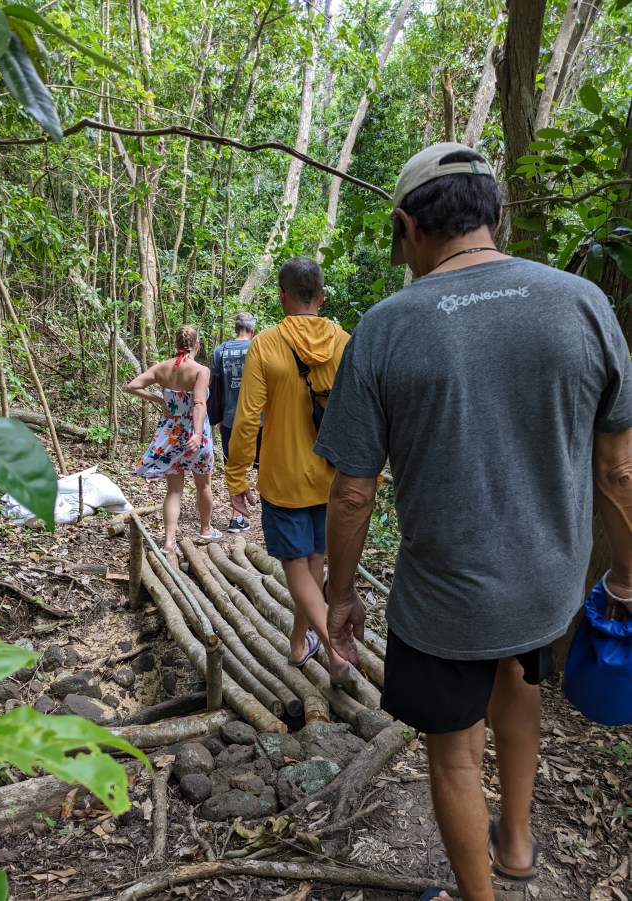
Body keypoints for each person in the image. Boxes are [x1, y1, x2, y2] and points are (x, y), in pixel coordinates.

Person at [314, 143, 632, 901]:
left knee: (454, 752)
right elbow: (618, 467)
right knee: (519, 680)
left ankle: (478, 897)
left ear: (408, 225)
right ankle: (517, 846)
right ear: (494, 212)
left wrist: (340, 594)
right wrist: (625, 571)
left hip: (447, 600)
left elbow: (353, 495)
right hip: (547, 587)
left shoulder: (387, 328)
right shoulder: (581, 302)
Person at [225, 256, 353, 683]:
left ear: (282, 298)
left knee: (297, 567)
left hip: (283, 478)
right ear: (320, 297)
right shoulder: (344, 342)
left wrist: (236, 476)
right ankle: (300, 645)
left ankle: (335, 651)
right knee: (315, 560)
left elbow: (247, 419)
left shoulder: (266, 343)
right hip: (332, 476)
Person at [127, 324, 222, 551]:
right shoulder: (201, 370)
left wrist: (160, 400)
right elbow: (199, 403)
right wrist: (197, 434)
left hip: (170, 435)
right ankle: (206, 529)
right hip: (196, 434)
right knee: (203, 485)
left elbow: (132, 386)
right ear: (196, 344)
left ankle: (169, 542)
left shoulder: (162, 368)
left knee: (174, 491)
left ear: (176, 344)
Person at [210, 311, 261, 533]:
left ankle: (237, 517)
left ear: (236, 328)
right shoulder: (260, 347)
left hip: (231, 418)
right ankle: (271, 515)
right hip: (260, 419)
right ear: (252, 329)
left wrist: (218, 417)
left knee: (234, 467)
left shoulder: (220, 351)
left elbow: (215, 387)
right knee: (264, 466)